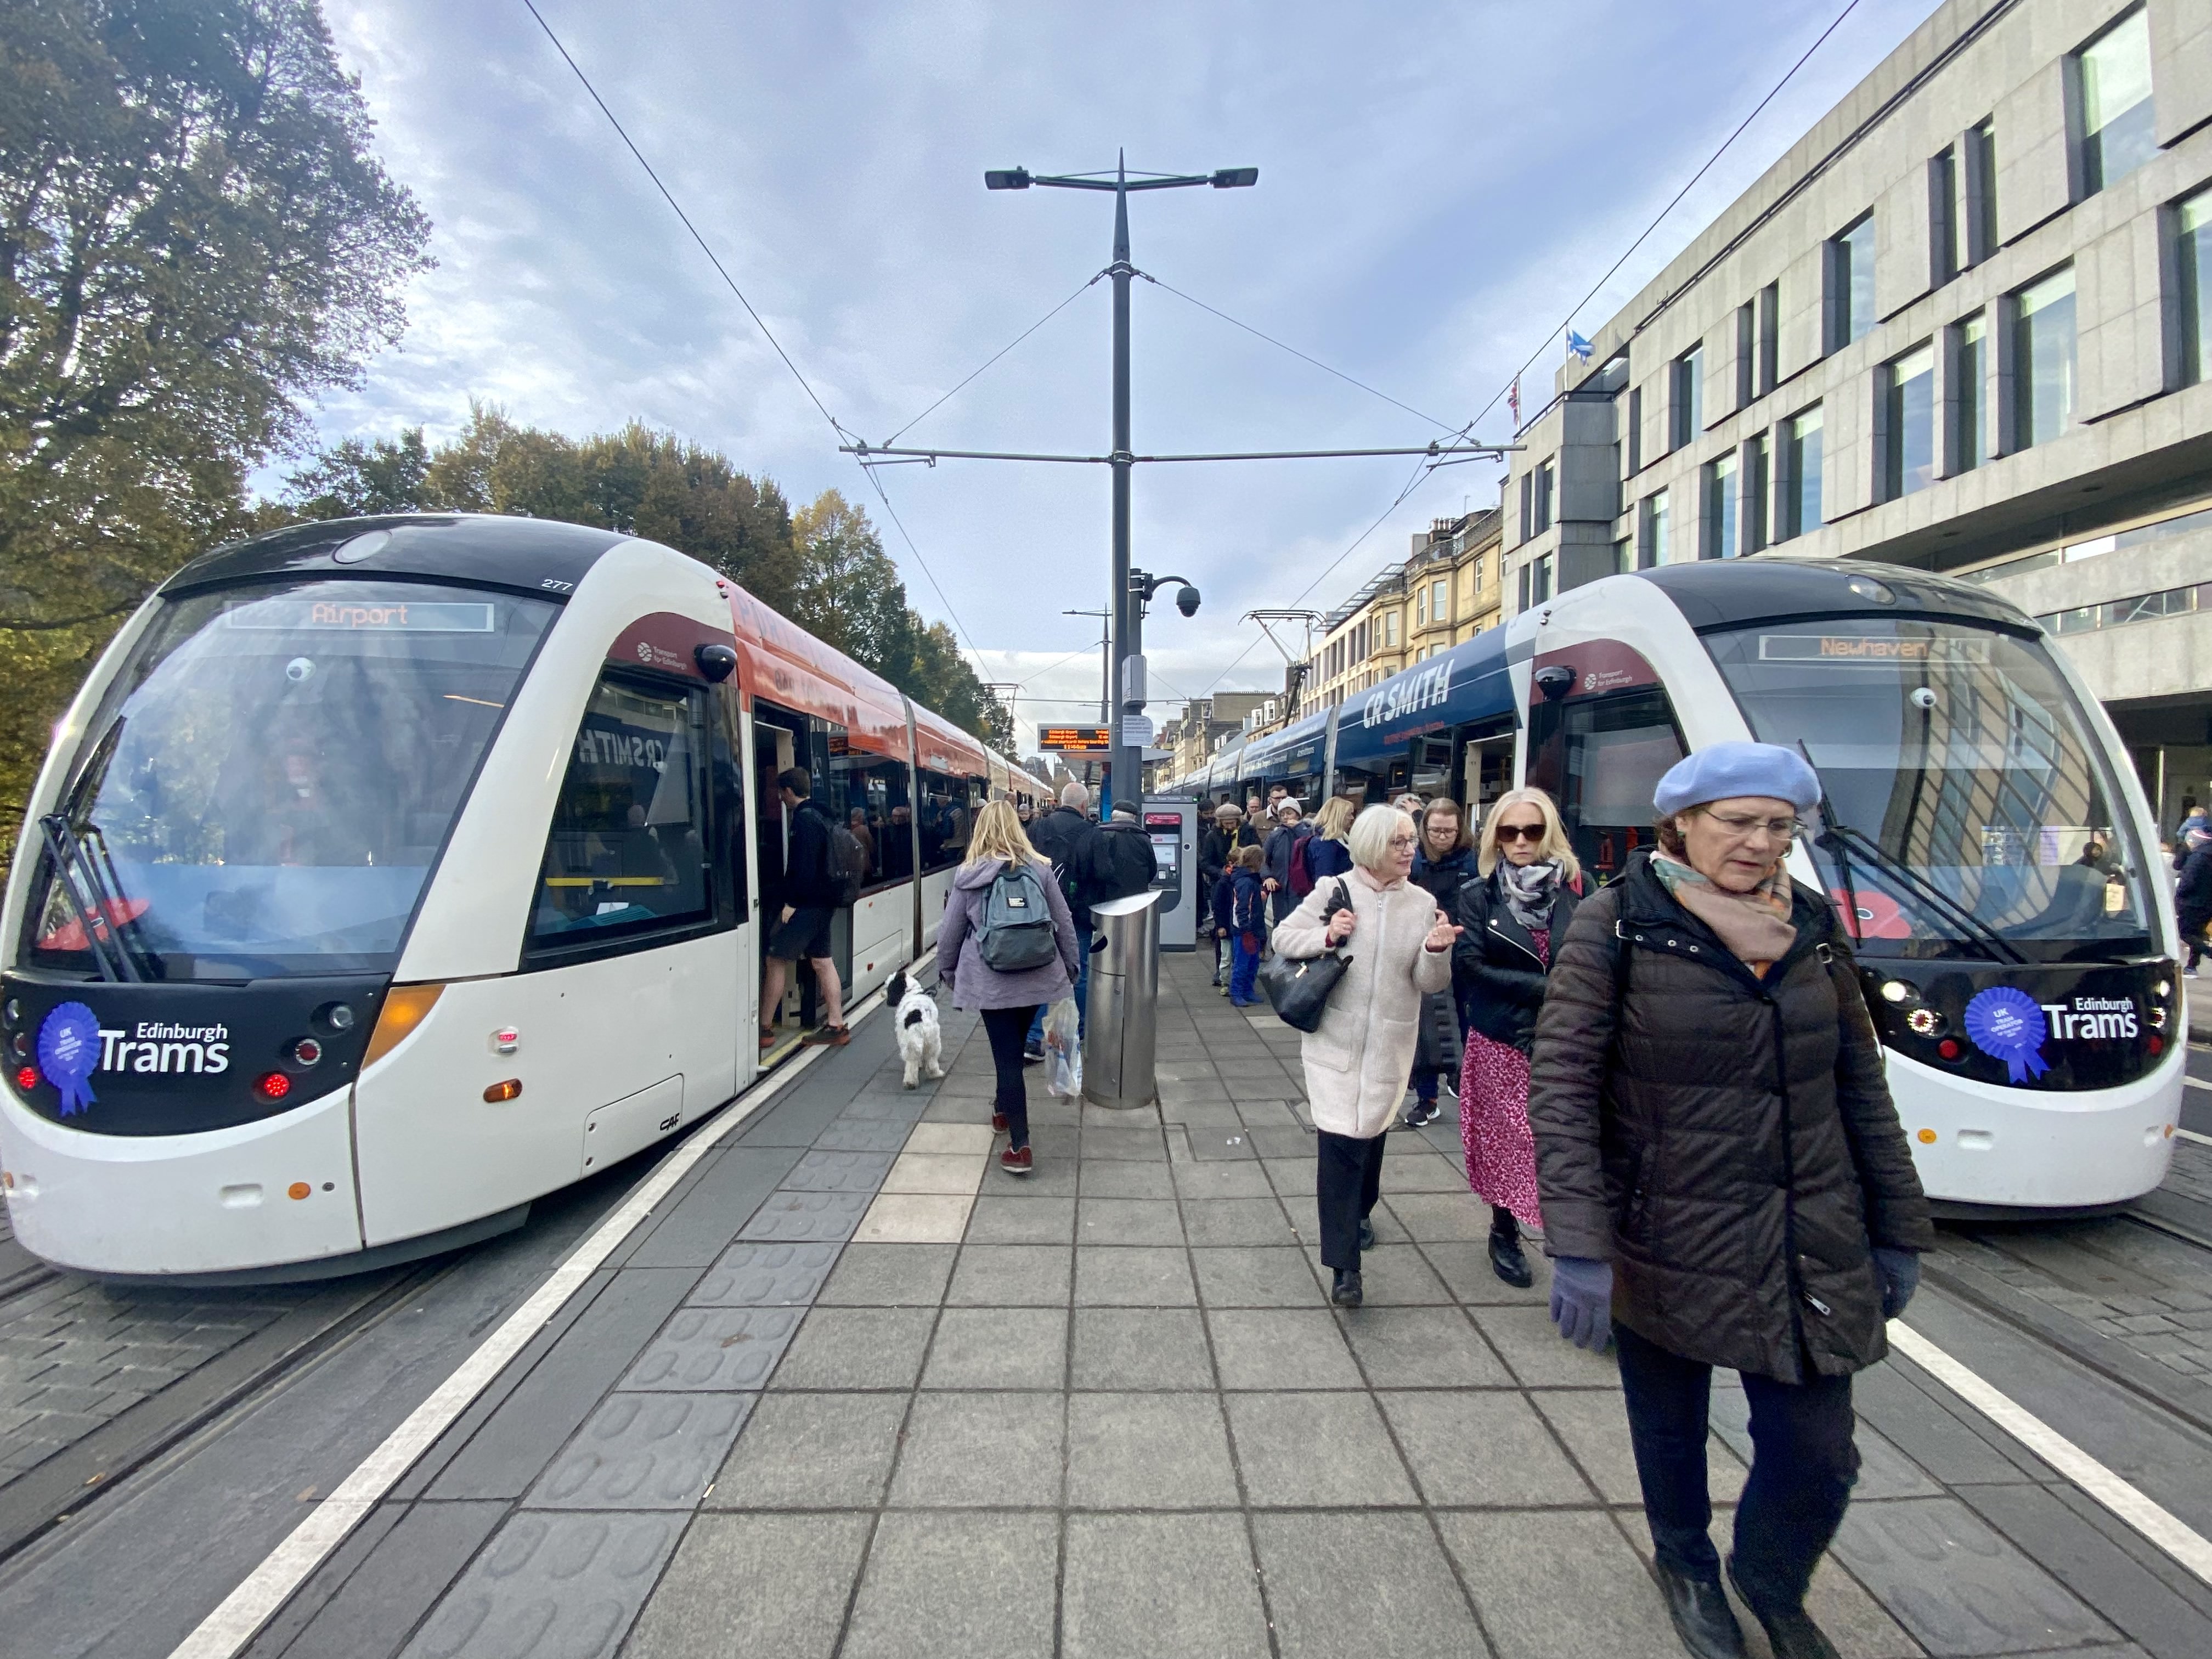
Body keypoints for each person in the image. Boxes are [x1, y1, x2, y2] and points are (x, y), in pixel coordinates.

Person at [1528, 741, 1933, 1659]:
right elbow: (1561, 1083)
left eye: (1777, 827)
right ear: (1682, 825)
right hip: (1664, 1224)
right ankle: (1685, 1563)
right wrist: (1581, 1241)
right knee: (1668, 1427)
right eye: (1737, 821)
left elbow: (1858, 1082)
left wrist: (1898, 1227)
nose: (1758, 842)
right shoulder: (1617, 922)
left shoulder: (1812, 924)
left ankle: (1769, 1576)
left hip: (1805, 1229)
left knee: (1819, 1451)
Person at [1273, 804, 1460, 1308]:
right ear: (1373, 846)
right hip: (1334, 1043)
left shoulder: (1422, 903)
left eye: (1410, 841)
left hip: (1389, 1048)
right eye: (1399, 841)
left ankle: (1361, 1210)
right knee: (1339, 1147)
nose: (1410, 849)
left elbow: (1428, 983)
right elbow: (1283, 937)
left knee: (1371, 1138)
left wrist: (1437, 952)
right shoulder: (1334, 890)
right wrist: (1327, 935)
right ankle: (1344, 1267)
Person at [1450, 788, 1581, 1285]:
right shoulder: (1478, 895)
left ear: (1549, 832)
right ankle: (1504, 1231)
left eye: (1532, 830)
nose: (1521, 841)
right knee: (1509, 1141)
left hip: (1566, 1037)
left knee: (1564, 1143)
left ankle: (1573, 1244)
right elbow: (1471, 966)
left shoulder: (1578, 889)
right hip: (1503, 1036)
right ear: (1495, 838)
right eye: (1509, 831)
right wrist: (1548, 988)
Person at [936, 799, 1082, 1176]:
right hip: (1038, 975)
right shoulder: (1040, 869)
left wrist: (950, 973)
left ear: (980, 830)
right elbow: (1063, 921)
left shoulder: (969, 875)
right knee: (1013, 1049)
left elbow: (950, 934)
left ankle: (1020, 1144)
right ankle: (1003, 1112)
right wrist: (1071, 966)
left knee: (1006, 1058)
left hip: (992, 981)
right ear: (1018, 828)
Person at [761, 766, 850, 1050]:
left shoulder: (804, 820)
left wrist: (791, 903)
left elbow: (803, 868)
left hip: (808, 904)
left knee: (776, 960)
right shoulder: (823, 814)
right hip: (826, 902)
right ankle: (837, 1025)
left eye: (781, 792)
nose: (781, 798)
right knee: (822, 961)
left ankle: (764, 1029)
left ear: (788, 791)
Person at [1406, 797, 1479, 1128]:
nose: (1441, 837)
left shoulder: (1473, 860)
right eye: (1435, 830)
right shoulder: (1412, 859)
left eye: (1449, 831)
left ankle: (1462, 1078)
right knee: (1426, 1029)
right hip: (1424, 950)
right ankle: (1427, 1098)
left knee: (1464, 1023)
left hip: (1463, 951)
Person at [1026, 781, 1098, 1055]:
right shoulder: (1090, 832)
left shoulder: (1037, 828)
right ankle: (1078, 1033)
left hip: (1039, 913)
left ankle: (1034, 1038)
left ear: (1059, 801)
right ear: (1083, 806)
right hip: (1077, 915)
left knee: (1040, 973)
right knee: (1078, 972)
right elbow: (1101, 873)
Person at [1200, 802, 1261, 988]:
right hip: (1223, 884)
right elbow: (1204, 862)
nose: (1230, 826)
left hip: (1245, 882)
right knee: (1224, 926)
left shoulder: (1248, 832)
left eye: (1232, 823)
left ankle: (1242, 966)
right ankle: (1222, 968)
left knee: (1245, 924)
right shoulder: (1213, 836)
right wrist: (1220, 873)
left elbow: (1257, 853)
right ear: (1220, 822)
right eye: (1226, 824)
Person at [1227, 844, 1268, 1006]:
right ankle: (1236, 992)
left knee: (1252, 963)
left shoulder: (1248, 881)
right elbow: (1242, 908)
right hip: (1245, 930)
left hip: (1252, 928)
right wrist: (1246, 929)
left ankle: (1247, 991)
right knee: (1242, 964)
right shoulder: (1246, 882)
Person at [1260, 798, 1311, 924]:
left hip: (1302, 888)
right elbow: (1262, 859)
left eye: (1289, 813)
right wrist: (1267, 877)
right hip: (1281, 887)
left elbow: (1312, 844)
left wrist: (1299, 828)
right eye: (1282, 814)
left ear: (1298, 814)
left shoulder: (1309, 831)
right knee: (1280, 923)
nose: (1285, 817)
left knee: (1300, 924)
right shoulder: (1275, 835)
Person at [2178, 826, 2212, 975]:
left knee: (2185, 933)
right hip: (2208, 902)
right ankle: (2192, 966)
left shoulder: (2197, 858)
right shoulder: (2206, 855)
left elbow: (2188, 881)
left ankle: (2208, 953)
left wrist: (2179, 895)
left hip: (2192, 902)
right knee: (2197, 934)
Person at [1305, 795, 1356, 884]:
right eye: (1349, 814)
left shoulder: (1339, 840)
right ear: (1339, 817)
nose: (1352, 818)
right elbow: (1325, 879)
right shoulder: (1325, 843)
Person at [847, 808, 877, 882]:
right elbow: (872, 846)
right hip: (864, 866)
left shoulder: (846, 829)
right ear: (859, 817)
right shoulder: (863, 829)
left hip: (850, 867)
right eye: (863, 816)